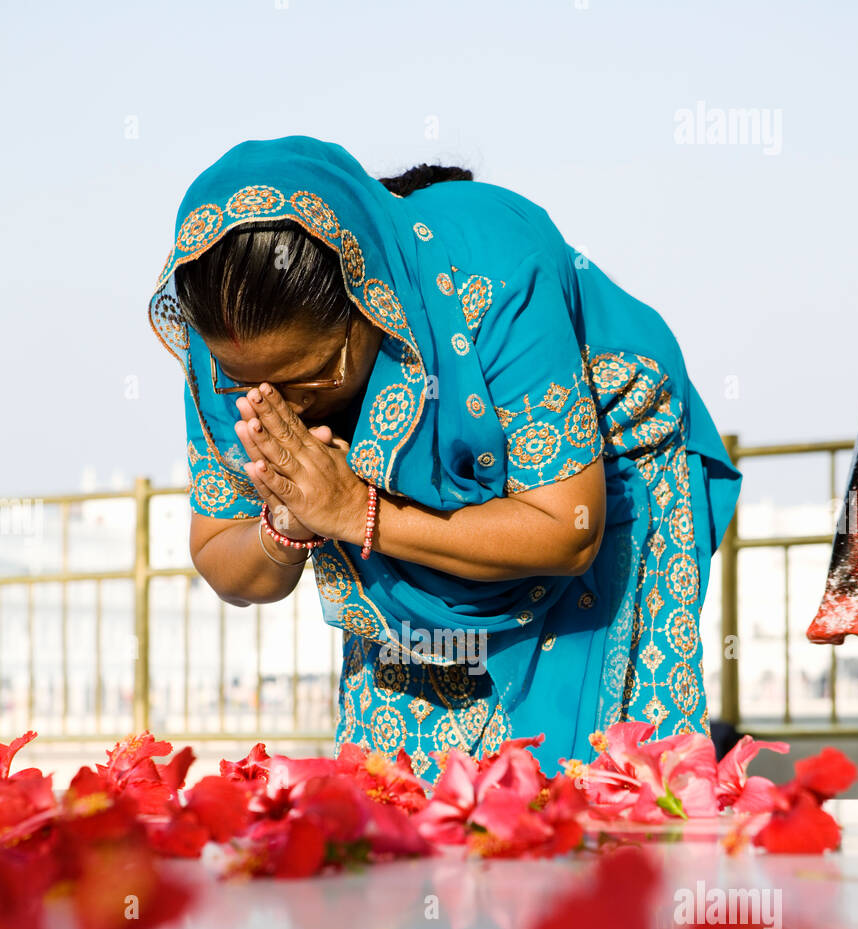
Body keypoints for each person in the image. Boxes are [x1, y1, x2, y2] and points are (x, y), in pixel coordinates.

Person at [149, 135, 741, 779]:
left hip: (611, 487)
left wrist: (356, 511)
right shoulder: (228, 352)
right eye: (244, 381)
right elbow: (222, 559)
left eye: (312, 378)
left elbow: (566, 531)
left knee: (586, 790)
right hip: (399, 550)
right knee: (408, 802)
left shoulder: (494, 267)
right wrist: (291, 524)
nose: (281, 406)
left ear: (371, 307)